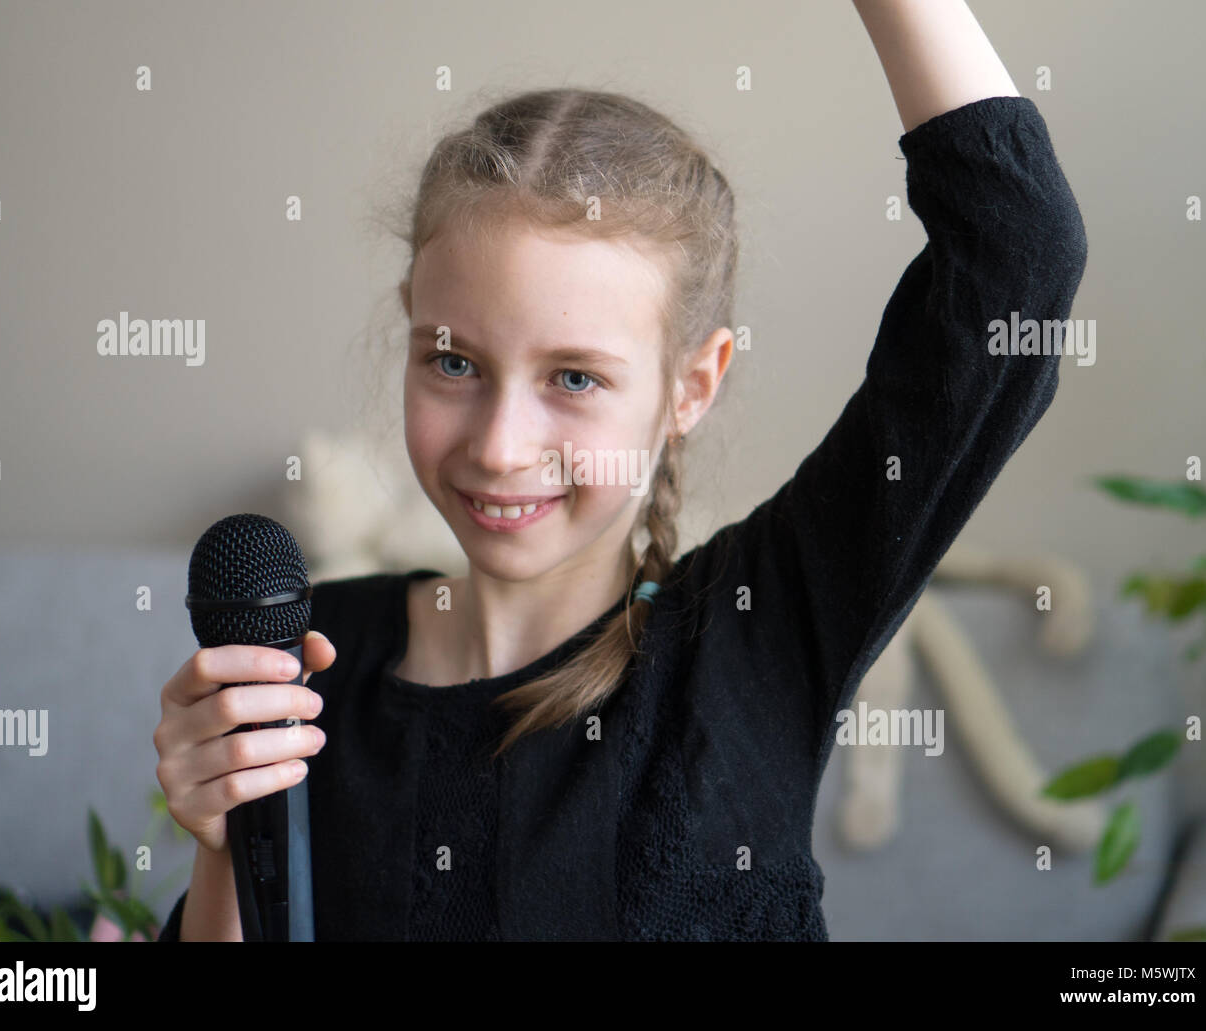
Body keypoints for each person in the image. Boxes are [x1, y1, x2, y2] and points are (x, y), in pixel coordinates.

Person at [153, 0, 1088, 940]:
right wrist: (226, 838)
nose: (500, 445)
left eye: (573, 377)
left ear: (691, 387)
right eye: (453, 361)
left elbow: (1019, 258)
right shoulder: (311, 667)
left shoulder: (756, 635)